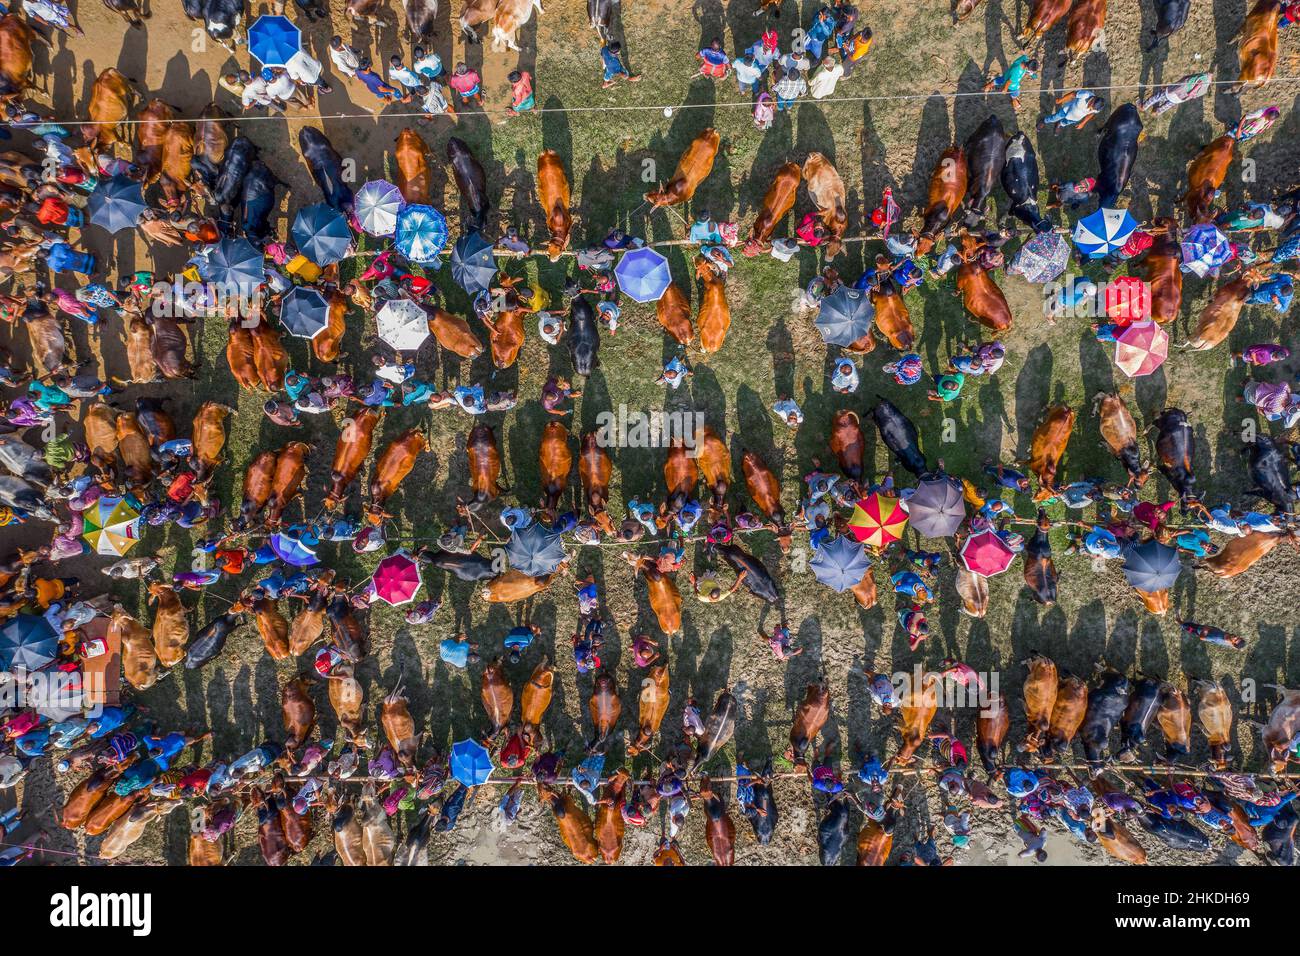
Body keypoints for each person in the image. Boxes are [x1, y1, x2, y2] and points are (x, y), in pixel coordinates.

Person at [1038, 90, 1103, 130]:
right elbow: (1072, 94)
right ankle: (1044, 121)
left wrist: (1083, 123)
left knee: (1065, 123)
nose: (1091, 109)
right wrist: (1060, 101)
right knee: (1054, 118)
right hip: (1066, 111)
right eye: (1092, 107)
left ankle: (1059, 124)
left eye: (1093, 109)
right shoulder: (1085, 95)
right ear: (1093, 99)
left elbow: (1091, 114)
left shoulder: (1097, 109)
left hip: (1075, 119)